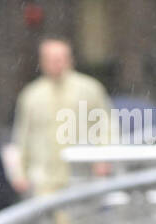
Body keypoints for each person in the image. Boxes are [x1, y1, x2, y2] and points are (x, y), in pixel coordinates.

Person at [7, 38, 111, 198]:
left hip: (81, 176)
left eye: (61, 58)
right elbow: (22, 136)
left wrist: (104, 158)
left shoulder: (89, 89)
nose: (57, 64)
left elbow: (106, 127)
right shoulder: (31, 95)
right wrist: (19, 173)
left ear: (70, 59)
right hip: (44, 178)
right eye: (51, 59)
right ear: (42, 62)